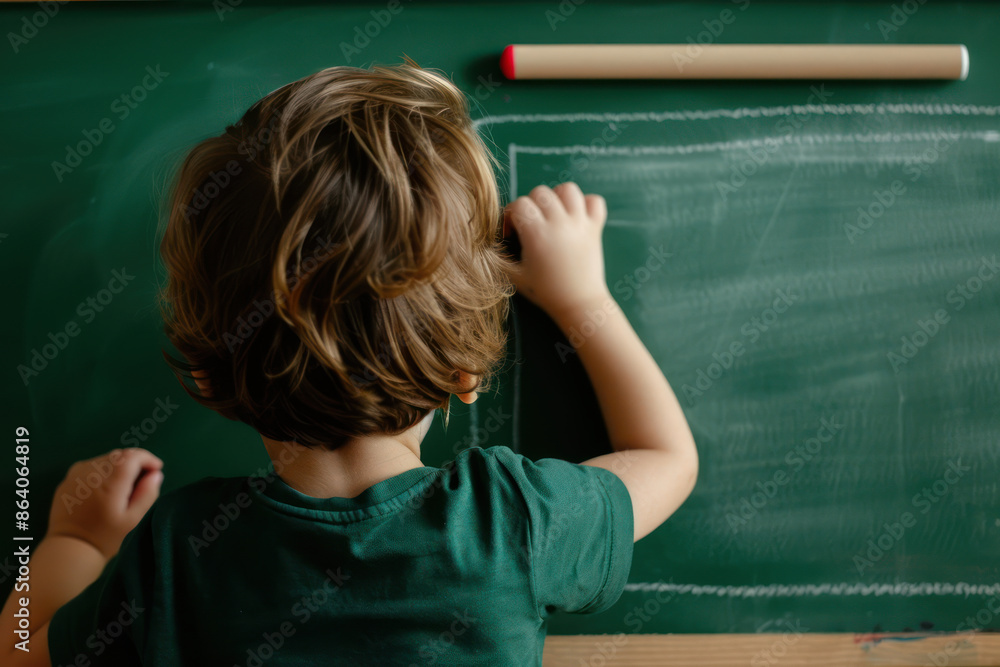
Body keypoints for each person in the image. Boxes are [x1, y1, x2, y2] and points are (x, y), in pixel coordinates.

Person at [1, 61, 697, 666]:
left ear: (209, 372)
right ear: (468, 372)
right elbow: (665, 457)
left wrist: (75, 539)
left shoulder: (177, 554)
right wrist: (581, 296)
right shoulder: (509, 521)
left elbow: (19, 646)